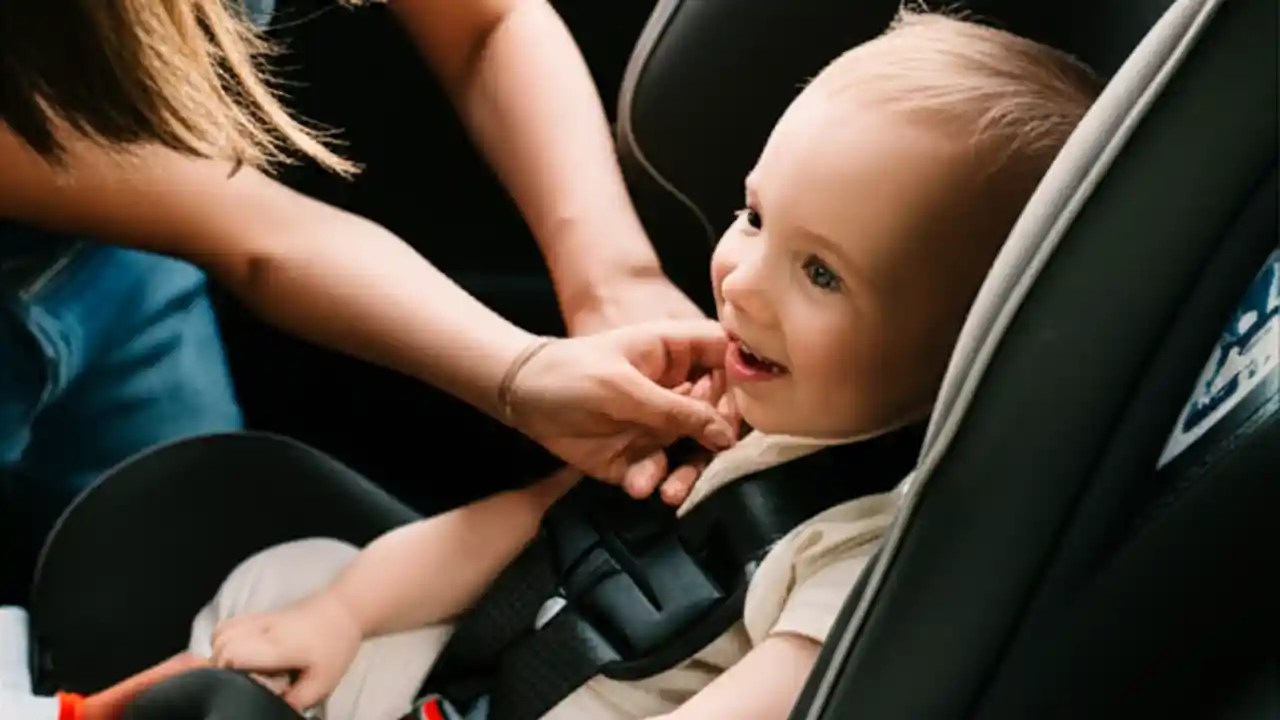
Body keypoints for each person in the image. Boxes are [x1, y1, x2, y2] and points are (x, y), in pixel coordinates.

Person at [177, 10, 1103, 720]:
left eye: (821, 273)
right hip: (494, 661)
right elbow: (523, 523)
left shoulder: (861, 550)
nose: (741, 282)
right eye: (755, 216)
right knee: (285, 584)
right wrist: (344, 610)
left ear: (963, 344)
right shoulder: (724, 407)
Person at [0, 0, 729, 604]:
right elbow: (260, 235)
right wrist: (521, 371)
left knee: (185, 581)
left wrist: (613, 279)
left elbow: (485, 24)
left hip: (133, 264)